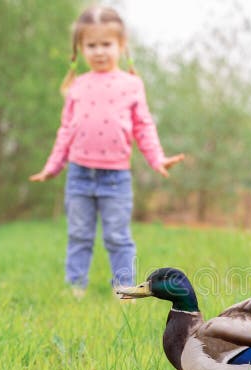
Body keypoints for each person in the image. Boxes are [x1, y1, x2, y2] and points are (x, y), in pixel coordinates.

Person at [30, 5, 184, 297]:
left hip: (116, 178)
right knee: (79, 235)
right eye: (91, 45)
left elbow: (143, 126)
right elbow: (66, 130)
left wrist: (157, 159)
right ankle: (75, 288)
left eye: (106, 44)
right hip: (79, 175)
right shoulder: (77, 86)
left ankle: (124, 291)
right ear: (80, 48)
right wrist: (52, 167)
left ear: (121, 45)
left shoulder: (131, 85)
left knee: (117, 236)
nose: (99, 51)